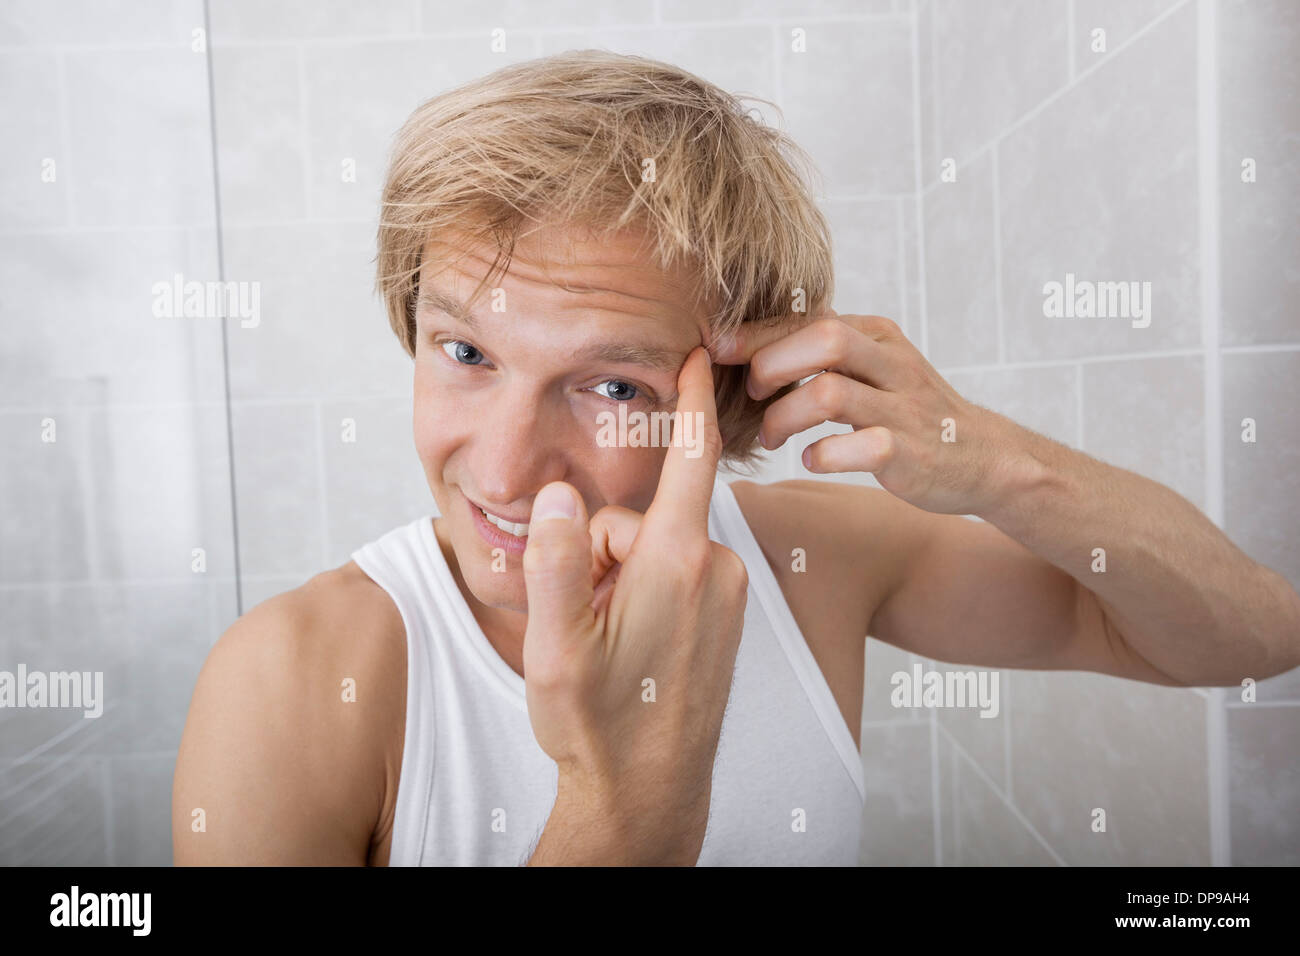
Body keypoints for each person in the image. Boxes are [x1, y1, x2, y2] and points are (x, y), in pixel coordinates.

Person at [172, 50, 1300, 866]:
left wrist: (995, 463)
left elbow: (1250, 636)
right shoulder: (293, 680)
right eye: (465, 350)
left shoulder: (816, 559)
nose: (508, 469)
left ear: (729, 395)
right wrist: (622, 814)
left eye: (612, 384)